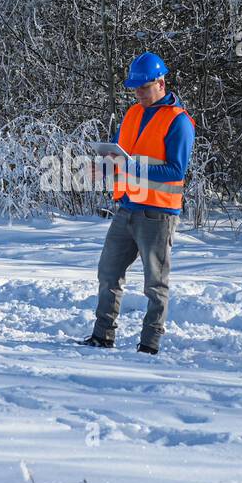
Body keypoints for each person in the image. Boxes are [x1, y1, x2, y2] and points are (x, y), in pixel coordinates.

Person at [80, 52, 195, 354]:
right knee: (108, 273)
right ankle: (102, 335)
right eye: (135, 88)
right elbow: (121, 158)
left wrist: (130, 168)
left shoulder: (179, 121)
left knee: (155, 284)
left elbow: (175, 170)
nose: (139, 93)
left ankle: (150, 343)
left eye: (144, 87)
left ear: (161, 82)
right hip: (127, 208)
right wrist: (102, 167)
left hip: (158, 213)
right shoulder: (132, 114)